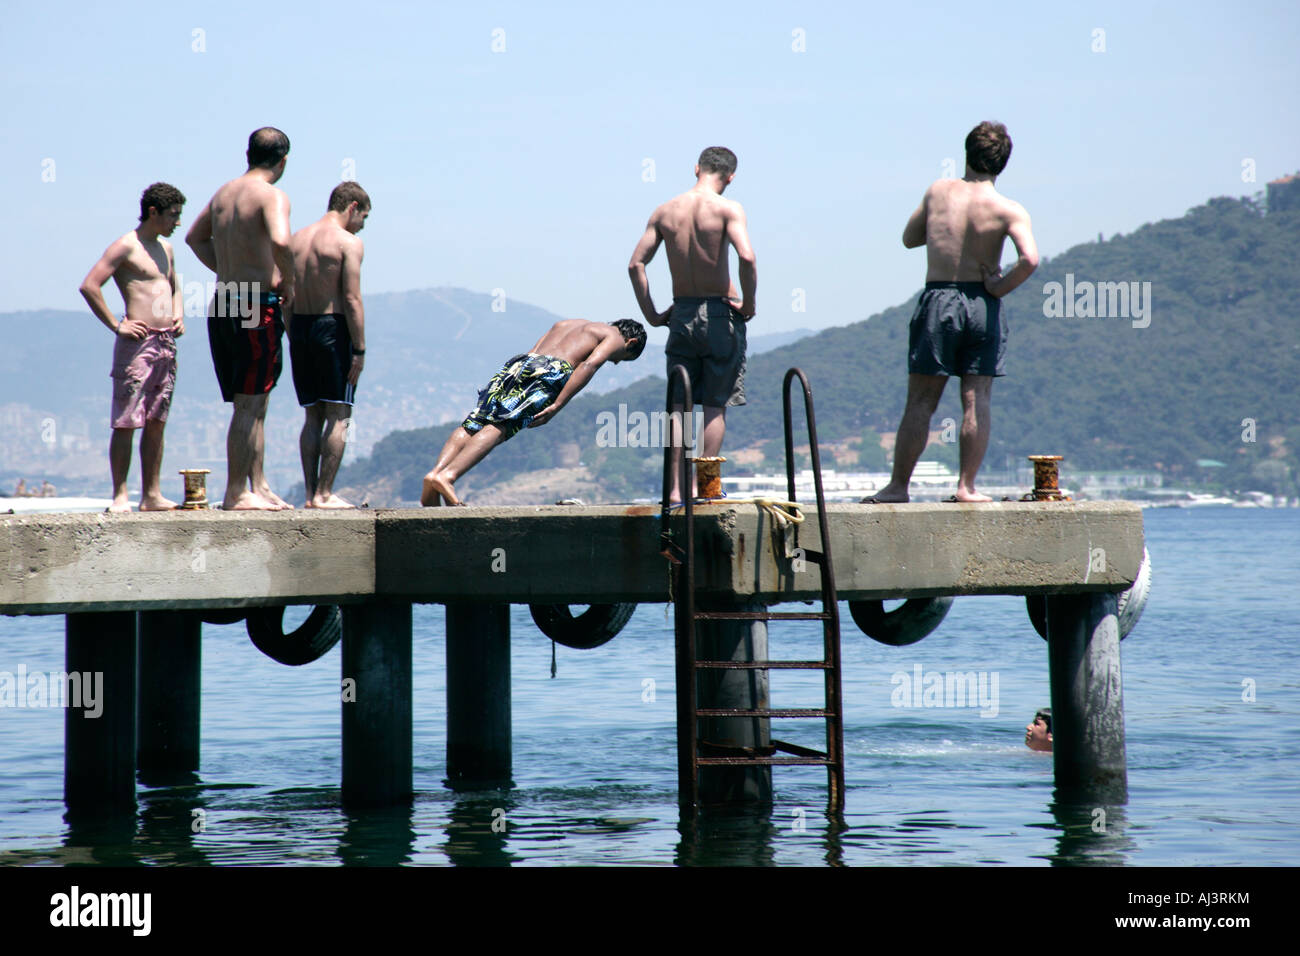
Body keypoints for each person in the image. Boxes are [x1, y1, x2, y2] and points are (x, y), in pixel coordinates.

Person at [871, 121, 1039, 504]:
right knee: (976, 397)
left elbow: (910, 238)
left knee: (921, 400)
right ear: (1003, 163)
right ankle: (966, 487)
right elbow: (1029, 259)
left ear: (967, 154)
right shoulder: (1008, 209)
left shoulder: (939, 191)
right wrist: (999, 286)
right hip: (983, 303)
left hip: (940, 298)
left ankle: (898, 487)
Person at [628, 146, 756, 503]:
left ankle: (673, 490)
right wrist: (750, 303)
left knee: (679, 407)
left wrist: (653, 314)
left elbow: (635, 264)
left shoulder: (665, 211)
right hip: (719, 314)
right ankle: (706, 487)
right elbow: (746, 255)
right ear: (730, 177)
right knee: (714, 405)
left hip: (681, 314)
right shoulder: (729, 208)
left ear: (696, 168)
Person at [422, 319, 647, 506]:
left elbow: (534, 353)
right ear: (631, 341)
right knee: (502, 426)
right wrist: (558, 405)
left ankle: (434, 474)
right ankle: (448, 476)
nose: (616, 362)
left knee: (476, 421)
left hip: (520, 363)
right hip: (550, 371)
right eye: (623, 357)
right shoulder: (614, 337)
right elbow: (588, 366)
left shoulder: (567, 323)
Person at [186, 127, 295, 511]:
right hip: (255, 303)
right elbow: (281, 242)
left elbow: (195, 238)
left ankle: (258, 485)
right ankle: (236, 491)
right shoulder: (272, 195)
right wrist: (288, 282)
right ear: (282, 161)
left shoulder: (223, 194)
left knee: (254, 400)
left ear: (247, 154)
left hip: (226, 300)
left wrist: (228, 270)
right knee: (250, 404)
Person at [79, 182, 187, 512]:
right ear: (153, 212)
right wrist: (117, 323)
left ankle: (151, 494)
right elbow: (89, 285)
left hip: (165, 343)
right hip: (137, 344)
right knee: (126, 421)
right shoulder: (126, 246)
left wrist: (178, 313)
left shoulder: (165, 249)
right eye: (173, 215)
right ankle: (120, 495)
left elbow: (174, 286)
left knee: (157, 420)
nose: (177, 222)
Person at [288, 182, 371, 508]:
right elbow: (351, 299)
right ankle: (324, 494)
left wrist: (292, 333)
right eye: (363, 216)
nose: (363, 224)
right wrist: (360, 349)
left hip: (300, 327)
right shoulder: (348, 242)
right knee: (339, 414)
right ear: (352, 207)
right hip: (332, 327)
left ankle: (309, 495)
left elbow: (286, 296)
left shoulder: (296, 240)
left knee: (312, 417)